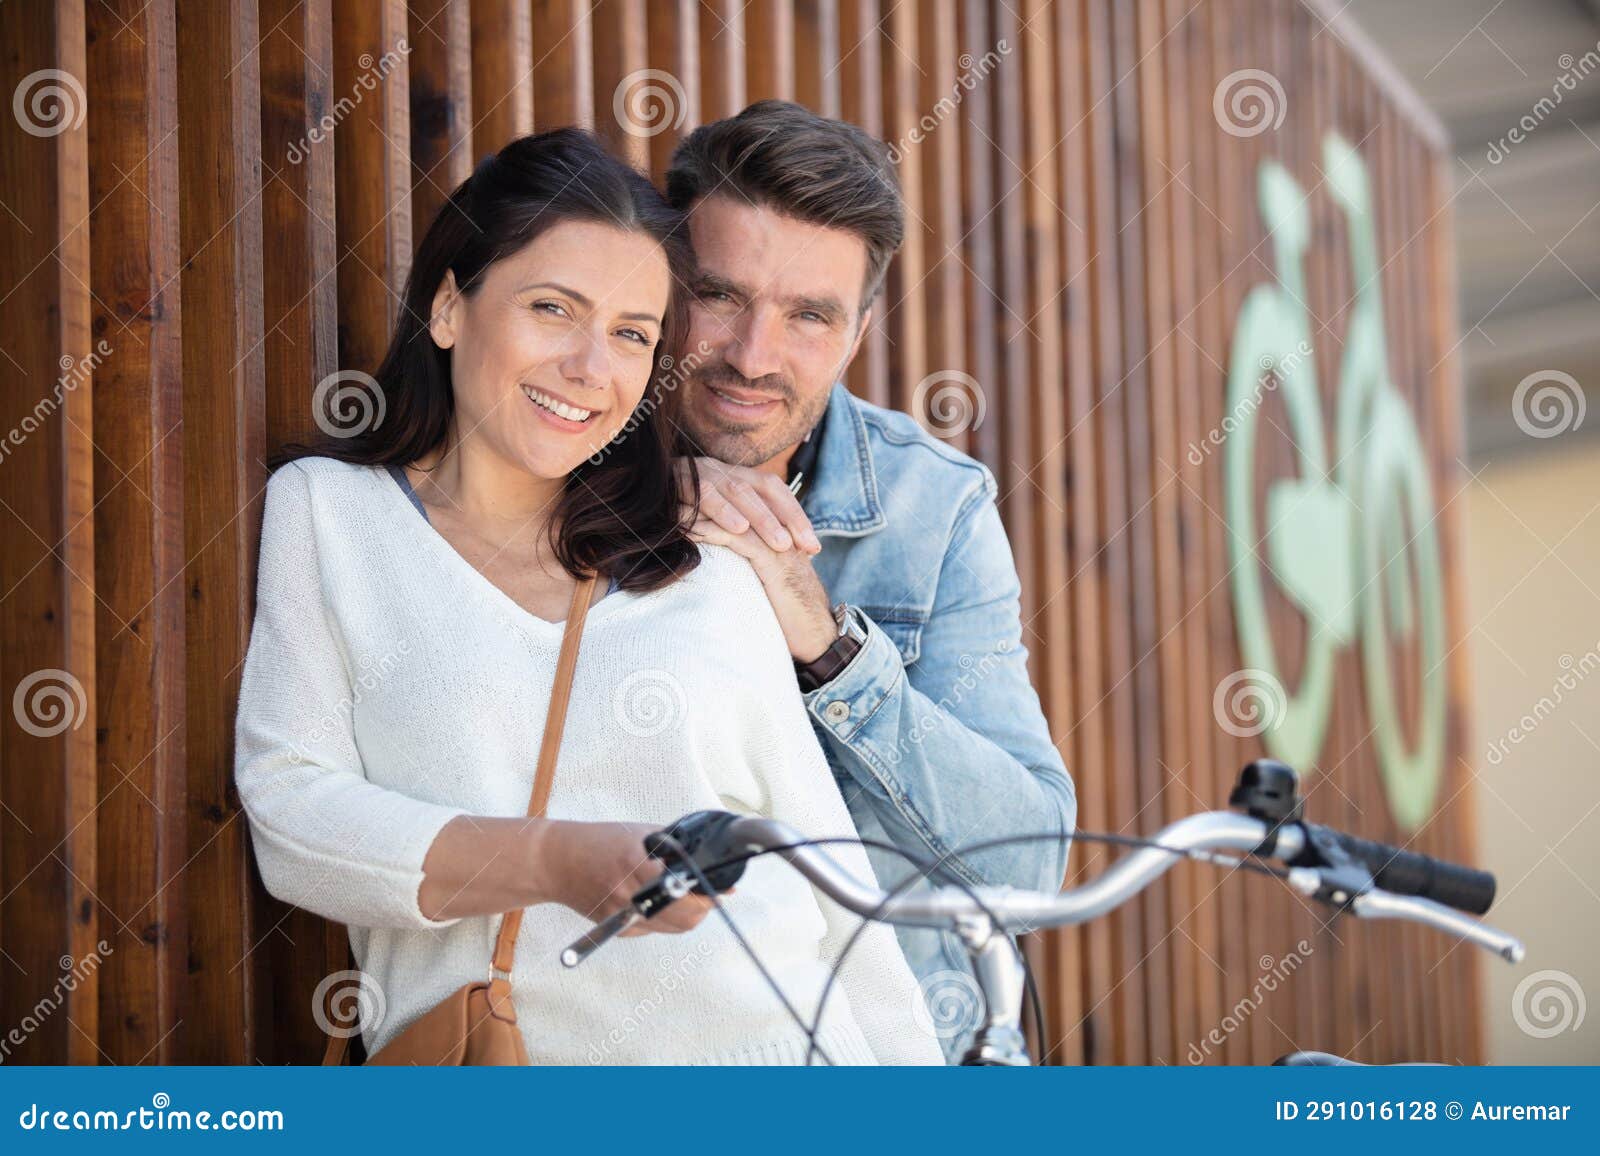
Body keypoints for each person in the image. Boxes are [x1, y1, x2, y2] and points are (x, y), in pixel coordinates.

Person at [232, 128, 943, 1066]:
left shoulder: (704, 554)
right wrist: (558, 860)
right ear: (450, 305)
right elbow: (295, 819)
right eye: (552, 308)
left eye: (632, 335)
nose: (590, 367)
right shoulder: (331, 517)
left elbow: (824, 870)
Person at [664, 101, 1078, 1059]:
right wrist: (639, 507)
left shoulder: (934, 509)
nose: (753, 358)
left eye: (810, 315)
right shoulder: (567, 466)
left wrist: (829, 646)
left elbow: (1028, 863)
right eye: (720, 295)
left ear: (859, 329)